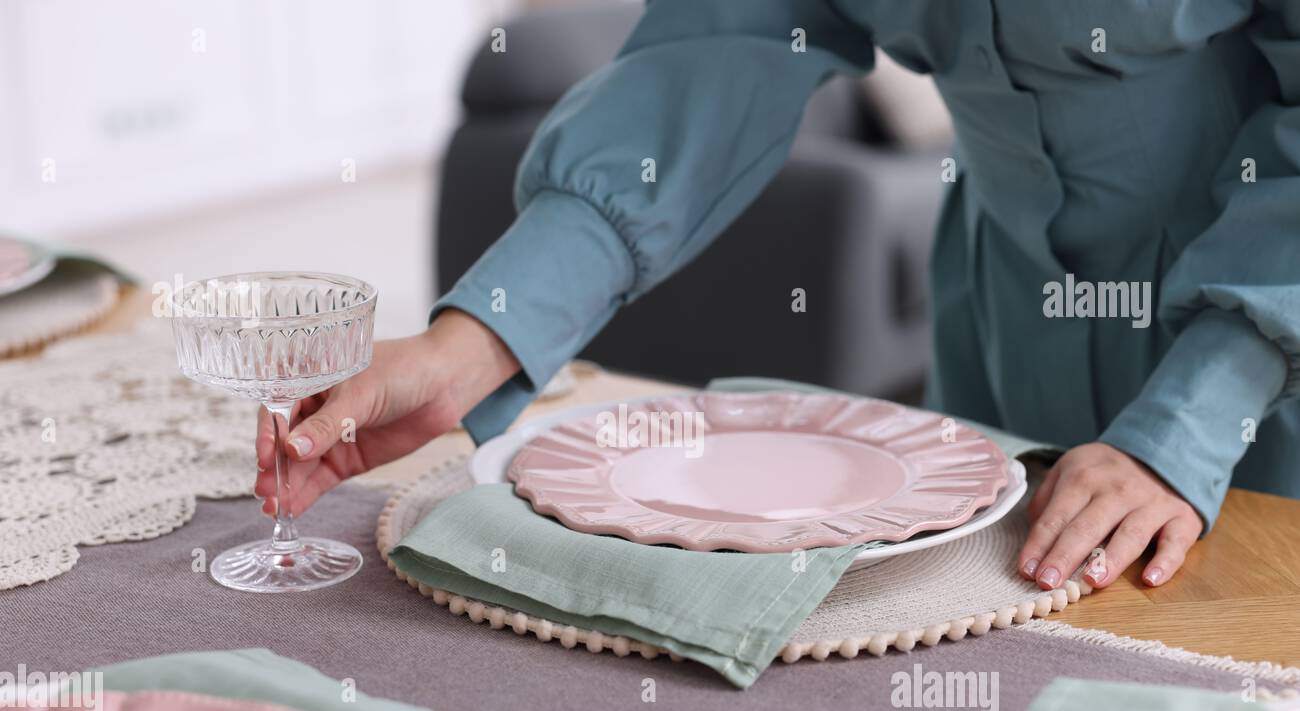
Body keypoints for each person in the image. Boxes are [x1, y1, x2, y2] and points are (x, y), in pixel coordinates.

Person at [257, 0, 1300, 592]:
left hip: (1262, 361)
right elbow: (726, 42)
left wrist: (1185, 428)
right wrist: (481, 336)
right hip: (996, 323)